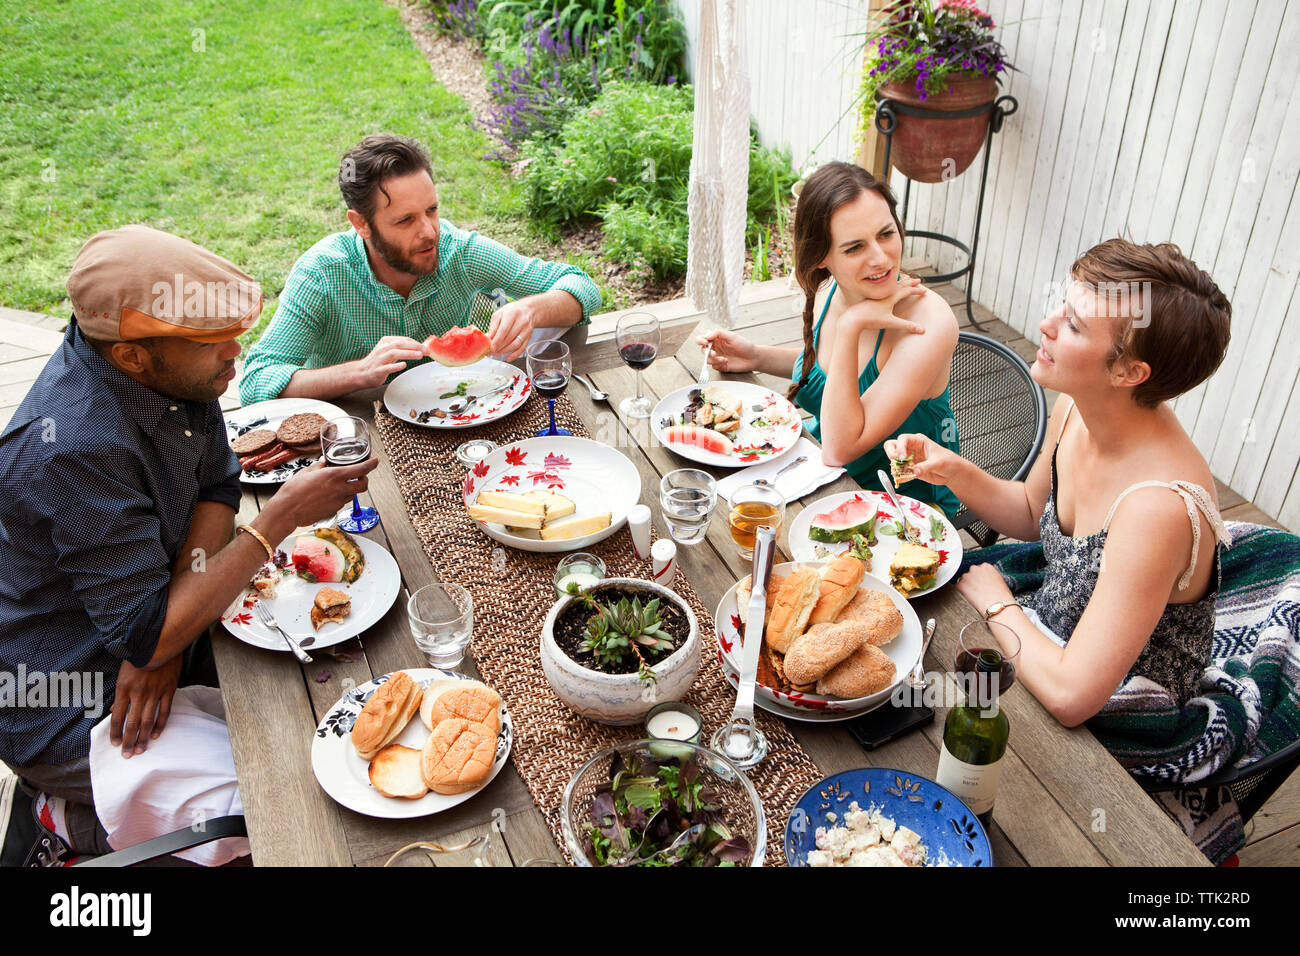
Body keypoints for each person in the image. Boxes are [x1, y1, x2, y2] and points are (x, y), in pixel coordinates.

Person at [0, 225, 377, 864]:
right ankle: (71, 818)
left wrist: (169, 629)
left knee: (326, 715)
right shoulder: (76, 447)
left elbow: (218, 481)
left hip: (140, 638)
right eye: (212, 343)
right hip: (68, 699)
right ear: (131, 356)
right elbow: (151, 628)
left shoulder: (176, 376)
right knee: (281, 804)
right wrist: (276, 520)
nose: (236, 353)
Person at [889, 238, 1234, 727]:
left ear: (1129, 372)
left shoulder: (1157, 509)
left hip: (1118, 710)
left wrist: (998, 605)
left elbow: (1072, 697)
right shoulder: (1075, 405)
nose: (1046, 325)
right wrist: (953, 469)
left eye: (1073, 324)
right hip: (1043, 633)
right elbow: (1032, 515)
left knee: (922, 707)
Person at [239, 133, 602, 404]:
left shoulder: (459, 250)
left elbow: (582, 287)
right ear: (361, 224)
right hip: (358, 434)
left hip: (456, 412)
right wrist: (360, 372)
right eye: (405, 220)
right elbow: (257, 379)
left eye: (432, 210)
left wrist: (529, 308)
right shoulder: (322, 274)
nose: (429, 232)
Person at [697, 161, 962, 516]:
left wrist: (851, 325)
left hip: (906, 507)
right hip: (819, 479)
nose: (881, 258)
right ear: (822, 257)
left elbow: (839, 447)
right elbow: (836, 374)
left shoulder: (928, 322)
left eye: (886, 234)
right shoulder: (832, 288)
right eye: (854, 248)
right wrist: (758, 357)